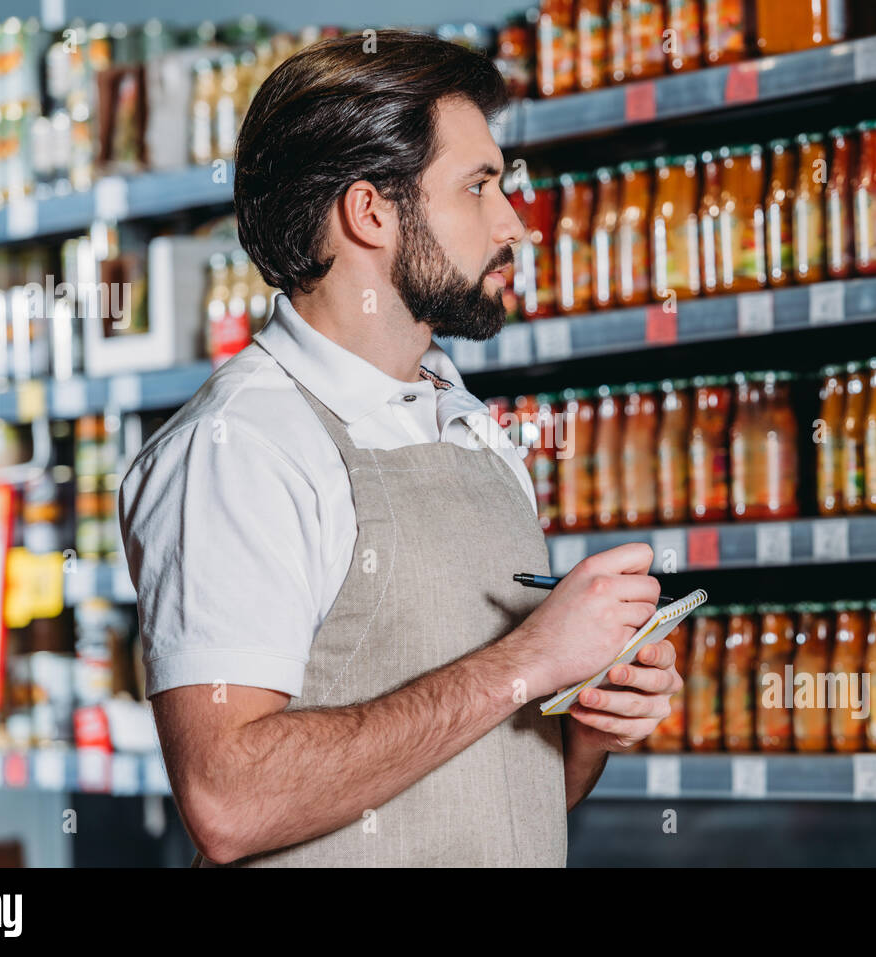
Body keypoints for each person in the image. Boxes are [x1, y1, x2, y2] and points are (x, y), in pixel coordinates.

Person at [118, 29, 679, 868]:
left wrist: (590, 719)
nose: (514, 225)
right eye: (478, 186)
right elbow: (229, 798)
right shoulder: (242, 448)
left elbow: (497, 790)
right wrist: (525, 661)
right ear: (370, 210)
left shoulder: (473, 431)